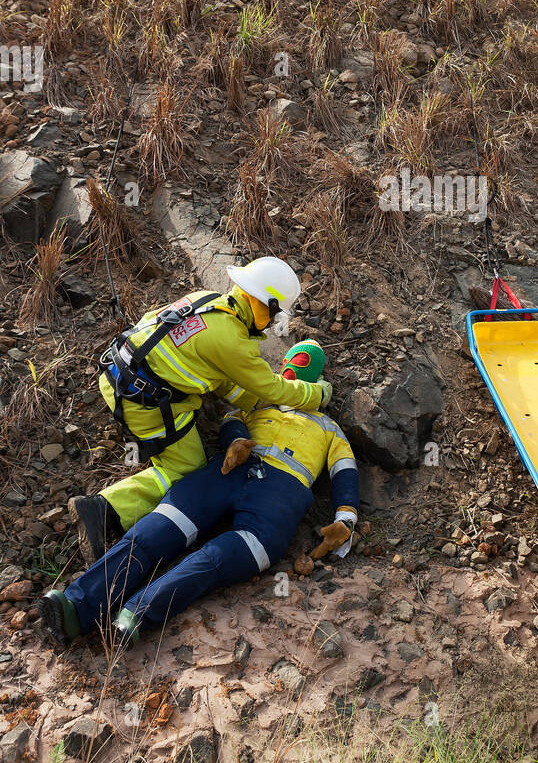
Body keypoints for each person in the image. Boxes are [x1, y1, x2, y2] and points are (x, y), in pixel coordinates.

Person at [40, 342, 360, 648]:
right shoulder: (259, 402)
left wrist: (344, 518)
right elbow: (232, 418)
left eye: (300, 369)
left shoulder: (330, 429)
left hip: (280, 495)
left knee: (222, 556)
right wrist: (235, 439)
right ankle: (76, 606)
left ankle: (137, 614)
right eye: (289, 366)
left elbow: (344, 470)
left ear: (317, 381)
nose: (291, 373)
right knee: (160, 527)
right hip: (228, 469)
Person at [69, 259, 332, 562]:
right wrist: (315, 393)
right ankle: (103, 510)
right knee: (187, 470)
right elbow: (274, 389)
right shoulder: (232, 340)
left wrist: (251, 403)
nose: (273, 323)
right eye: (274, 315)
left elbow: (215, 371)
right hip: (143, 402)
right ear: (266, 305)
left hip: (117, 372)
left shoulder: (205, 299)